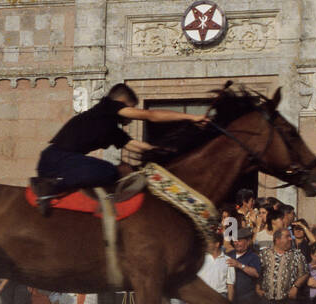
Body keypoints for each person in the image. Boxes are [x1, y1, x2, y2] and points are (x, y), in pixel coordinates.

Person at [31, 83, 208, 215]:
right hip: (56, 160)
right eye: (131, 108)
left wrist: (167, 151)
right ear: (122, 102)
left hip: (62, 161)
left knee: (118, 170)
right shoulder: (108, 106)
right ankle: (49, 186)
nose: (131, 117)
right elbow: (150, 115)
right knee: (110, 170)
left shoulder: (108, 127)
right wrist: (191, 117)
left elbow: (137, 147)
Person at [257, 226, 307, 304]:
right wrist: (258, 287)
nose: (291, 239)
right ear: (277, 240)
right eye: (287, 236)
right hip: (269, 300)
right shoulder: (265, 254)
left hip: (288, 300)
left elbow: (304, 274)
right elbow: (259, 272)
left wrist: (296, 287)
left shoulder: (297, 255)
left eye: (290, 236)